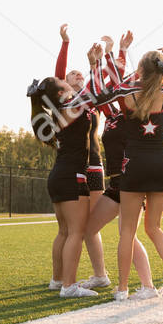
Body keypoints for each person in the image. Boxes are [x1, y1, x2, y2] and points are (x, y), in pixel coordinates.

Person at [73, 46, 163, 300]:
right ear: (162, 71)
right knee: (154, 227)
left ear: (139, 70)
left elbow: (96, 97)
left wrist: (95, 66)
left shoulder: (125, 91)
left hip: (135, 164)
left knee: (127, 231)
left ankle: (122, 289)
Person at [80, 34, 157, 296]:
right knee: (89, 230)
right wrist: (94, 65)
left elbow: (114, 81)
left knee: (128, 236)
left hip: (132, 182)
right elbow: (100, 91)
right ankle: (101, 276)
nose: (120, 89)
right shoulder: (112, 115)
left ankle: (146, 286)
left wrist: (115, 53)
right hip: (116, 184)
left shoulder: (133, 113)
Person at [28, 59, 98, 300]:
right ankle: (69, 285)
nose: (66, 81)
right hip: (72, 175)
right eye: (62, 81)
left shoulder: (58, 111)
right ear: (61, 91)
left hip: (60, 175)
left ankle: (57, 280)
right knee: (76, 232)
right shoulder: (71, 106)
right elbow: (97, 92)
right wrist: (95, 64)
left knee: (64, 232)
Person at [51, 23, 109, 291]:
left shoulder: (89, 101)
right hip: (71, 169)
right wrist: (65, 43)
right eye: (71, 74)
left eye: (79, 74)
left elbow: (98, 86)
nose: (75, 75)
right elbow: (57, 78)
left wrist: (99, 61)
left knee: (87, 229)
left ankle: (99, 275)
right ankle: (61, 280)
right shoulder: (63, 103)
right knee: (71, 229)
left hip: (92, 166)